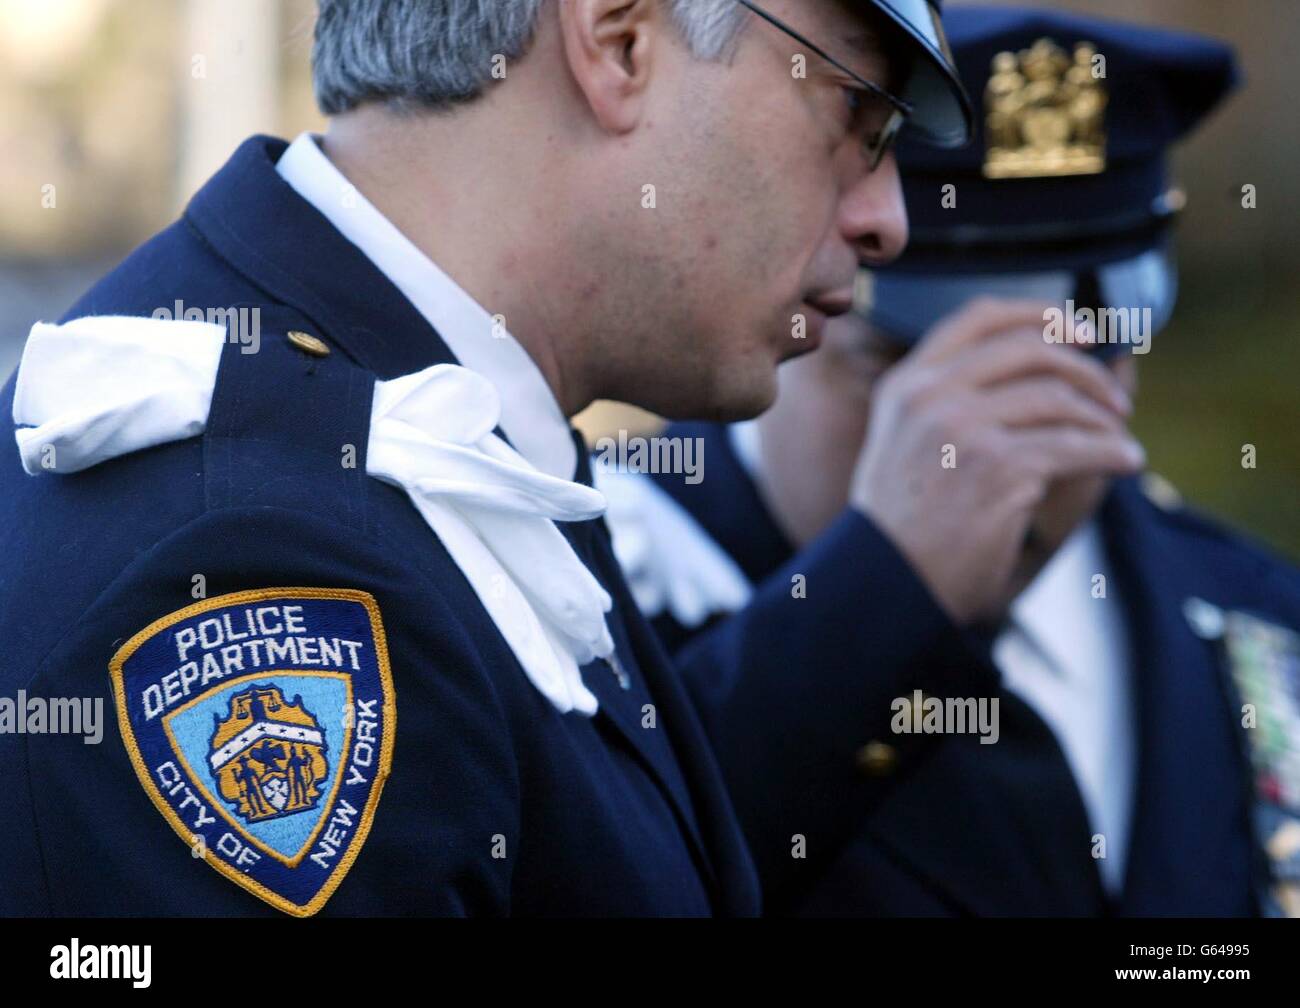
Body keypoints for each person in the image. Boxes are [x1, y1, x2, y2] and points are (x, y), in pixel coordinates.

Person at [0, 0, 980, 917]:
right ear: (618, 40)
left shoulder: (406, 428)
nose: (885, 220)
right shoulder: (264, 558)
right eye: (860, 114)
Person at [601, 6, 1300, 916]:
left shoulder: (1253, 614)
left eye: (1063, 365)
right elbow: (602, 875)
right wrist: (887, 585)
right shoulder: (596, 587)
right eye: (908, 368)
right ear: (803, 304)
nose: (983, 438)